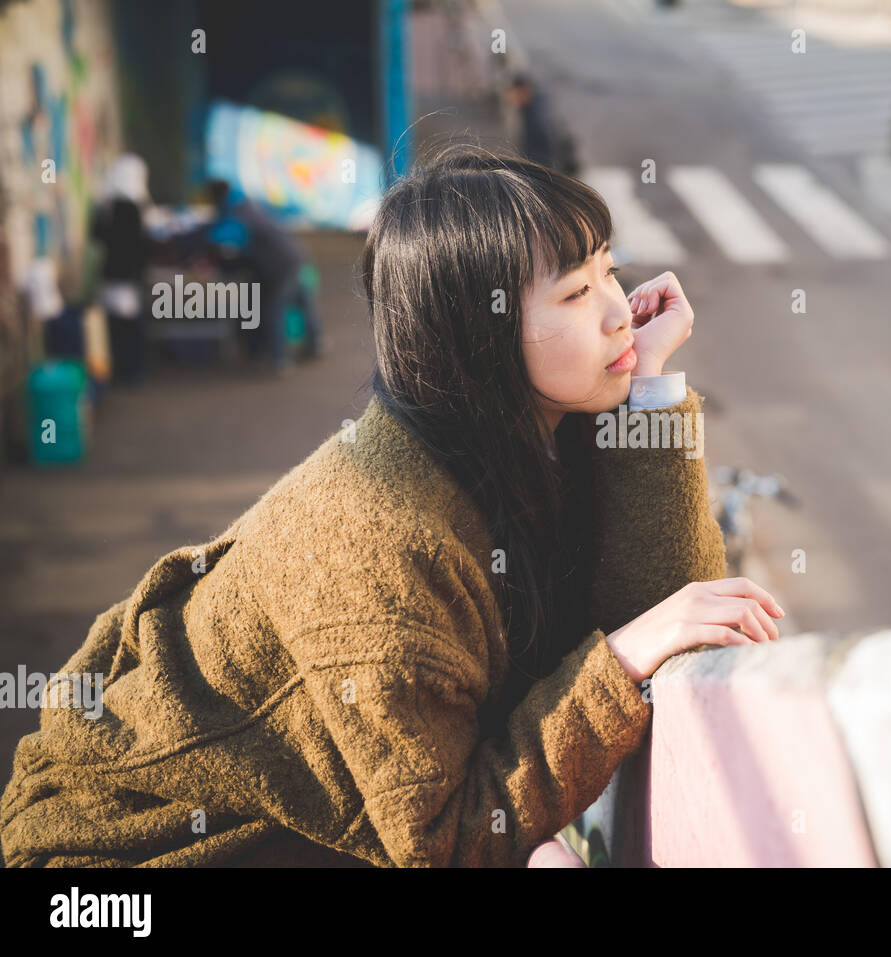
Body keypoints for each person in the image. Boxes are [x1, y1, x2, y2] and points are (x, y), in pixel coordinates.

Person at [0, 144, 784, 867]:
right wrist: (615, 662)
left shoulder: (538, 435)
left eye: (611, 271)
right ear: (480, 331)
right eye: (577, 292)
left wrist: (648, 389)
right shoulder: (384, 540)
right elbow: (443, 843)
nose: (618, 311)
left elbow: (673, 612)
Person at [205, 179, 321, 371]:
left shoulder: (236, 213)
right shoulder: (247, 204)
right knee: (301, 301)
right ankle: (315, 344)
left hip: (277, 264)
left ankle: (279, 359)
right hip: (293, 255)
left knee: (273, 310)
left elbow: (220, 238)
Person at [90, 154, 153, 385]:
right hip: (130, 277)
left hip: (113, 275)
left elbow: (96, 235)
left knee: (116, 328)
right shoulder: (137, 208)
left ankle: (121, 372)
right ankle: (133, 372)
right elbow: (144, 246)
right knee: (131, 327)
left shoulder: (110, 207)